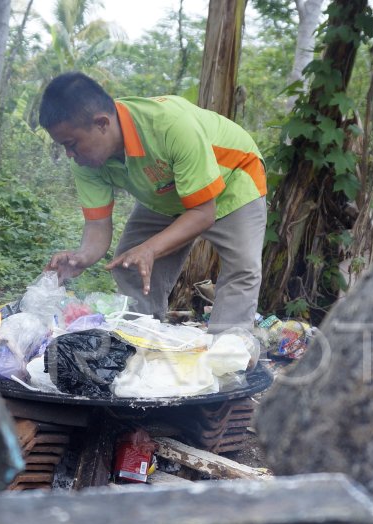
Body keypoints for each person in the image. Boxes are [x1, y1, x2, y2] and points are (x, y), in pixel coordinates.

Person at [39, 72, 267, 333]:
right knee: (129, 266)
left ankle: (227, 357)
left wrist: (150, 248)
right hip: (165, 194)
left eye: (71, 144)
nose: (70, 154)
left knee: (242, 270)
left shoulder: (170, 125)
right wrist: (81, 257)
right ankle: (144, 341)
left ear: (102, 123)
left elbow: (203, 213)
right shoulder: (85, 161)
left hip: (232, 180)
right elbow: (97, 226)